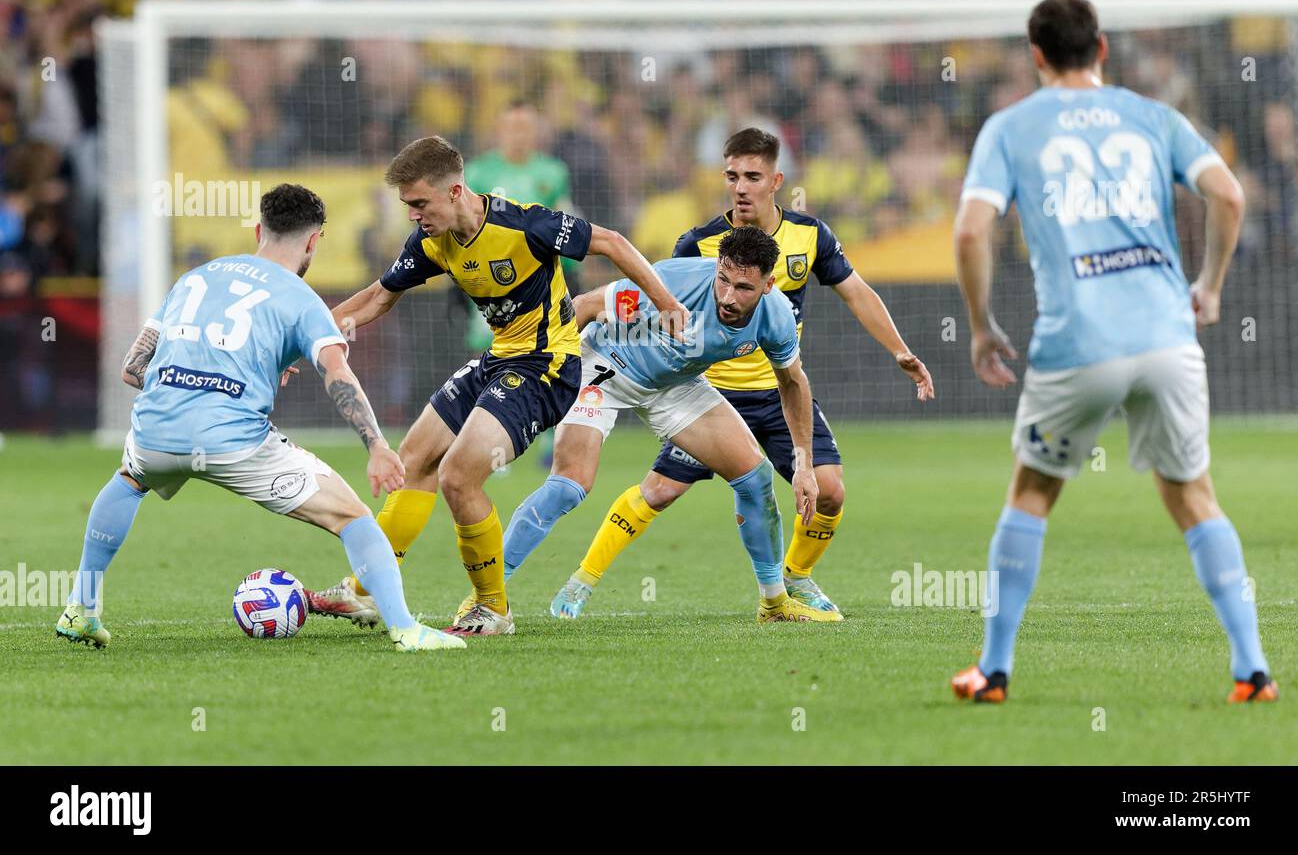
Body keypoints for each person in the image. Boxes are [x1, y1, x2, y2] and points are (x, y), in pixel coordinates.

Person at [949, 0, 1276, 704]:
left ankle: (995, 670)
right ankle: (1252, 668)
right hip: (1166, 334)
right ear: (1101, 49)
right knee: (1193, 496)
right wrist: (1211, 287)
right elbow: (1228, 194)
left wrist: (979, 325)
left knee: (1032, 492)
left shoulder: (1011, 127)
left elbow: (972, 232)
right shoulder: (1152, 115)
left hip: (1078, 342)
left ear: (1036, 56)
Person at [542, 128, 933, 620]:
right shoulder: (699, 245)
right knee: (660, 491)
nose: (741, 187)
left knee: (829, 489)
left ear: (776, 180)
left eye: (753, 176)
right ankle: (582, 582)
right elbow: (649, 305)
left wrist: (899, 350)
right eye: (732, 176)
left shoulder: (811, 235)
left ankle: (795, 580)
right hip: (714, 395)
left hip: (778, 392)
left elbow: (857, 292)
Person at [55, 184, 462, 654]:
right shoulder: (302, 298)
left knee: (129, 479)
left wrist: (195, 385)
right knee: (354, 517)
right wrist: (376, 446)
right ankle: (406, 630)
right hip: (235, 442)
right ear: (314, 242)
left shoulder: (195, 278)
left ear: (258, 230)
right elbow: (337, 373)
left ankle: (80, 609)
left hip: (155, 429)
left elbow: (133, 369)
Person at [306, 136, 686, 636]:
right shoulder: (430, 241)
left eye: (420, 203)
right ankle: (365, 592)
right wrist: (308, 336)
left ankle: (493, 609)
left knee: (459, 477)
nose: (414, 216)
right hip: (499, 359)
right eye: (408, 206)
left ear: (456, 191)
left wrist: (666, 304)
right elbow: (379, 296)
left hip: (548, 367)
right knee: (415, 457)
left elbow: (612, 242)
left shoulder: (526, 225)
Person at [499, 224, 840, 623]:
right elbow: (587, 306)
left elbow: (793, 383)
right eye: (724, 281)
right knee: (569, 486)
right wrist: (544, 371)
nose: (728, 297)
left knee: (756, 479)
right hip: (604, 370)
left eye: (743, 288)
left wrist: (803, 464)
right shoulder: (672, 282)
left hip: (673, 385)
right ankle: (487, 596)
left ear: (768, 285)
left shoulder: (776, 317)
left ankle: (774, 603)